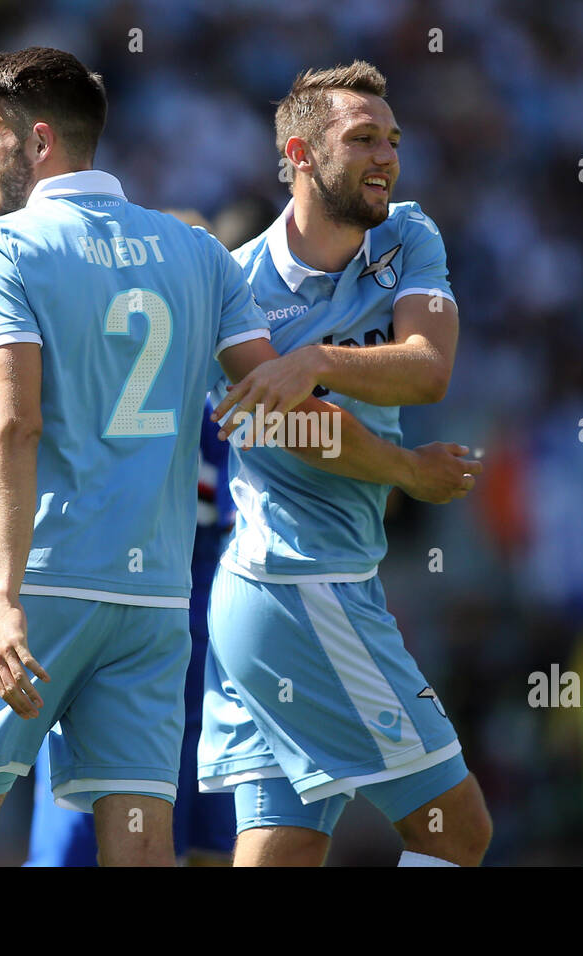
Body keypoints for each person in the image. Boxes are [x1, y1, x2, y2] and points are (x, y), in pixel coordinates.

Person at [0, 47, 472, 866]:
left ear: (38, 142)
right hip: (156, 606)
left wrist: (2, 598)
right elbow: (286, 417)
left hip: (45, 581)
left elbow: (14, 428)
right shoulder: (197, 255)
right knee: (141, 854)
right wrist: (404, 469)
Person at [198, 61, 492, 866]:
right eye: (361, 138)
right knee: (457, 830)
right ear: (299, 153)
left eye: (392, 140)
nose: (386, 157)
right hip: (298, 586)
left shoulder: (407, 234)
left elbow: (429, 366)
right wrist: (403, 468)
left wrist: (313, 358)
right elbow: (299, 428)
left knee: (281, 850)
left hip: (296, 587)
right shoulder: (238, 286)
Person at [24, 399, 236, 867]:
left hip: (201, 612)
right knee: (81, 831)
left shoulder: (220, 389)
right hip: (101, 600)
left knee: (209, 837)